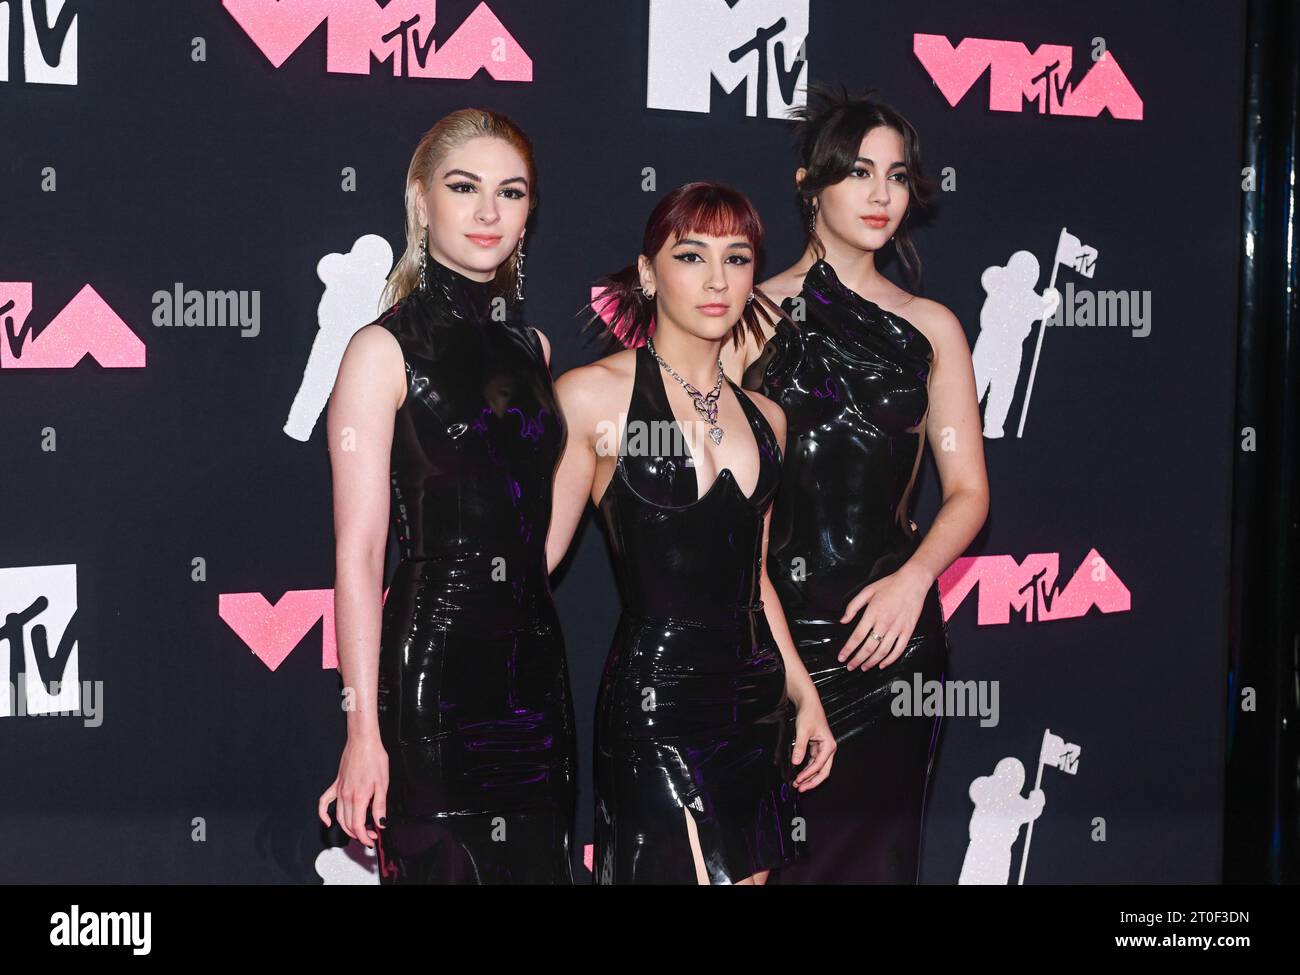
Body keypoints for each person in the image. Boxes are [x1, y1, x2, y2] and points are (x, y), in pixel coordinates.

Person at [726, 84, 990, 883]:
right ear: (810, 181)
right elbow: (727, 512)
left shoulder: (933, 325)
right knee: (773, 859)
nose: (881, 195)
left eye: (898, 175)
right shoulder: (745, 315)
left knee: (875, 863)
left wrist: (914, 581)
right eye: (859, 173)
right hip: (773, 637)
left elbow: (969, 491)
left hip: (892, 642)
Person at [546, 181, 835, 884]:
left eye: (736, 259)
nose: (716, 279)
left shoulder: (769, 418)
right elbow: (533, 568)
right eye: (691, 255)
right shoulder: (593, 396)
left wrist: (805, 691)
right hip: (655, 702)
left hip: (751, 702)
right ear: (648, 273)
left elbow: (757, 574)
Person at [317, 109, 577, 884]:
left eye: (512, 191)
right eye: (465, 188)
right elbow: (359, 556)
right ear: (422, 201)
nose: (490, 212)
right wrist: (364, 730)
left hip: (535, 674)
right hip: (433, 672)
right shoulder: (380, 348)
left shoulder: (535, 350)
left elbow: (540, 536)